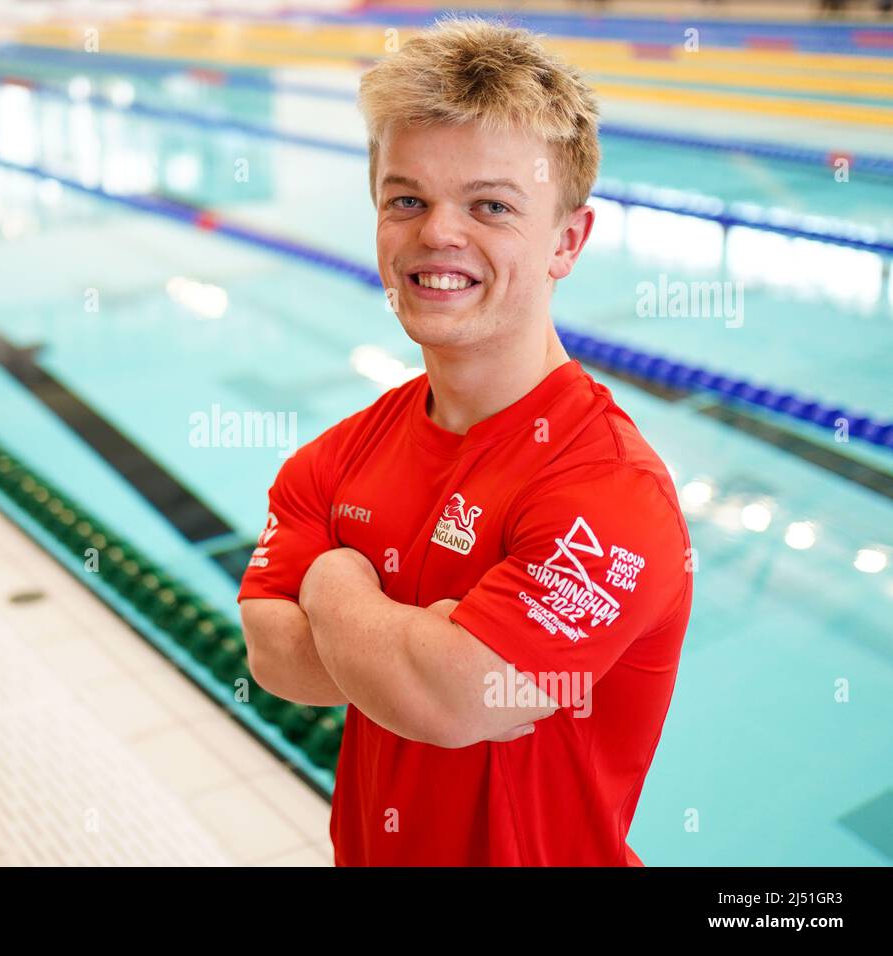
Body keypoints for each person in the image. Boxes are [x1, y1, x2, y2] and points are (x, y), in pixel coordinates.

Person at [237, 18, 694, 866]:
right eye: (406, 198)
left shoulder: (609, 492)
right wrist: (412, 647)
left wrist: (337, 585)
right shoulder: (333, 457)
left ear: (567, 241)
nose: (437, 234)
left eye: (490, 205)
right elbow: (273, 656)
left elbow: (454, 699)